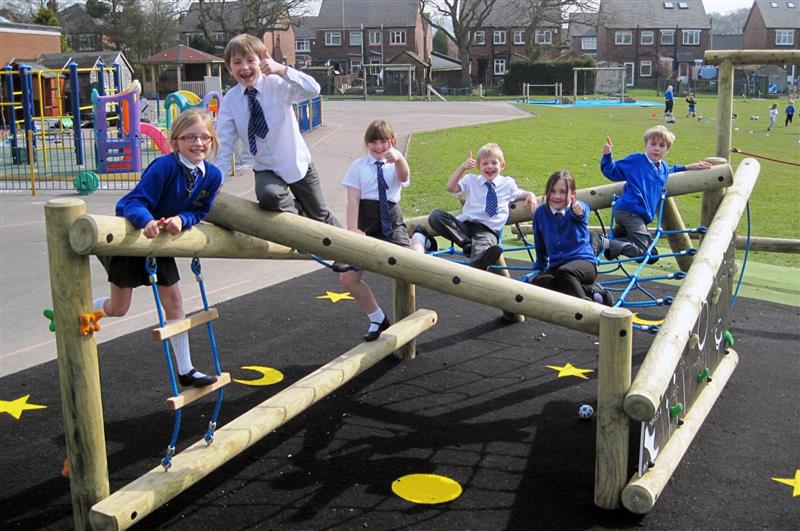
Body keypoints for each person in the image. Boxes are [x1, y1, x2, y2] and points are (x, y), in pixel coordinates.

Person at [92, 109, 223, 388]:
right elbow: (133, 202)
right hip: (133, 238)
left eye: (204, 137)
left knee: (174, 302)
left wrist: (181, 219)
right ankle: (90, 308)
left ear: (212, 140)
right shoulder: (163, 167)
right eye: (190, 137)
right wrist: (146, 220)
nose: (198, 143)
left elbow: (198, 211)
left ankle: (185, 370)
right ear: (175, 141)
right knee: (119, 307)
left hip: (160, 241)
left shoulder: (211, 175)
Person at [214, 34, 346, 268]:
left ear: (261, 61)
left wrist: (282, 70)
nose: (244, 67)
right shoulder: (231, 101)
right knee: (269, 197)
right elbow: (225, 147)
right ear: (229, 68)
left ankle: (348, 253)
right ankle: (300, 219)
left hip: (297, 164)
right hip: (266, 168)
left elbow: (313, 90)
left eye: (250, 60)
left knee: (321, 215)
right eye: (237, 62)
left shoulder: (276, 85)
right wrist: (214, 184)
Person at [339, 120, 423, 341]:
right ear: (367, 143)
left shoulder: (394, 163)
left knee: (409, 266)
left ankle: (419, 241)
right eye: (373, 142)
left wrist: (400, 158)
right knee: (348, 279)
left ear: (392, 142)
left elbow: (404, 178)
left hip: (391, 221)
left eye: (383, 142)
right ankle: (377, 317)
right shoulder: (358, 165)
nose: (378, 147)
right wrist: (352, 228)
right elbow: (352, 199)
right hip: (365, 221)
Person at [593, 126, 712, 263]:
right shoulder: (636, 161)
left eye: (662, 145)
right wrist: (607, 156)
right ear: (646, 145)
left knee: (653, 255)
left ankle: (615, 243)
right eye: (653, 144)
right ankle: (605, 243)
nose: (657, 148)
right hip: (629, 211)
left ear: (667, 150)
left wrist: (689, 167)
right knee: (645, 254)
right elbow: (612, 171)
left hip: (639, 215)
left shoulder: (663, 167)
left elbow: (672, 170)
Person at [428, 143, 537, 270]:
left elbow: (519, 194)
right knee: (436, 216)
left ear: (502, 165)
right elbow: (451, 187)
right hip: (466, 225)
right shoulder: (471, 180)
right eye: (485, 163)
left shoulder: (507, 184)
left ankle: (478, 260)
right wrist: (462, 167)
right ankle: (467, 244)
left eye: (494, 163)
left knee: (483, 247)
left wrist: (531, 194)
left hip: (487, 230)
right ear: (478, 166)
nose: (490, 166)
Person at [530, 170, 612, 306]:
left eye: (562, 192)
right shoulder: (541, 213)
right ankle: (590, 292)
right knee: (541, 282)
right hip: (558, 265)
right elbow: (539, 242)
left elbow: (582, 214)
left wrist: (578, 210)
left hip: (584, 264)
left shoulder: (576, 209)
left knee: (565, 273)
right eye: (553, 191)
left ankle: (584, 305)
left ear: (572, 195)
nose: (557, 196)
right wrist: (540, 266)